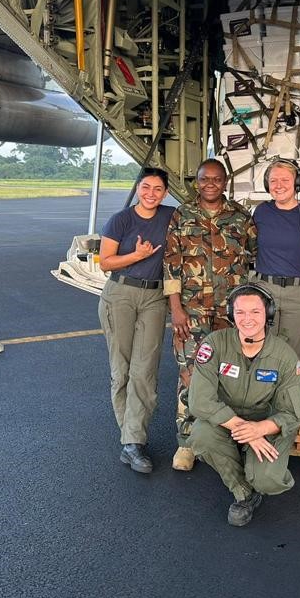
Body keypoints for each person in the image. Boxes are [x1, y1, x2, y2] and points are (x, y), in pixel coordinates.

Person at [164, 159, 257, 472]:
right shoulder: (182, 216)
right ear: (197, 182)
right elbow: (171, 267)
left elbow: (254, 264)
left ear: (225, 181)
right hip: (191, 314)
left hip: (231, 316)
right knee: (190, 375)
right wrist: (175, 309)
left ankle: (225, 440)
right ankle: (187, 442)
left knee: (231, 377)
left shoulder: (242, 218)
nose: (211, 184)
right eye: (205, 179)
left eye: (217, 179)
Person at [188, 284, 300, 527]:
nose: (247, 319)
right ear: (231, 315)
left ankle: (253, 472)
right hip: (226, 419)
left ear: (268, 314)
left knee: (267, 481)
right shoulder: (215, 345)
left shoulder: (284, 356)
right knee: (201, 435)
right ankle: (244, 494)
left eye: (255, 312)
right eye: (240, 312)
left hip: (265, 424)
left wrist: (261, 429)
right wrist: (245, 432)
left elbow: (293, 413)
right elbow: (199, 401)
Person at [97, 167, 175, 474]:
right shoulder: (121, 219)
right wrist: (137, 256)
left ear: (166, 193)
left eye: (157, 189)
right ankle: (130, 440)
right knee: (123, 369)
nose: (151, 193)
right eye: (146, 187)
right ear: (138, 188)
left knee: (145, 371)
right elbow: (105, 262)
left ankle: (134, 439)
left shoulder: (170, 217)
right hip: (121, 294)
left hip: (155, 297)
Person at [250, 158, 300, 367]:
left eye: (285, 180)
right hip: (265, 290)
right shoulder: (261, 212)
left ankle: (290, 400)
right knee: (261, 354)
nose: (278, 185)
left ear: (297, 182)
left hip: (299, 294)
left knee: (294, 359)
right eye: (273, 181)